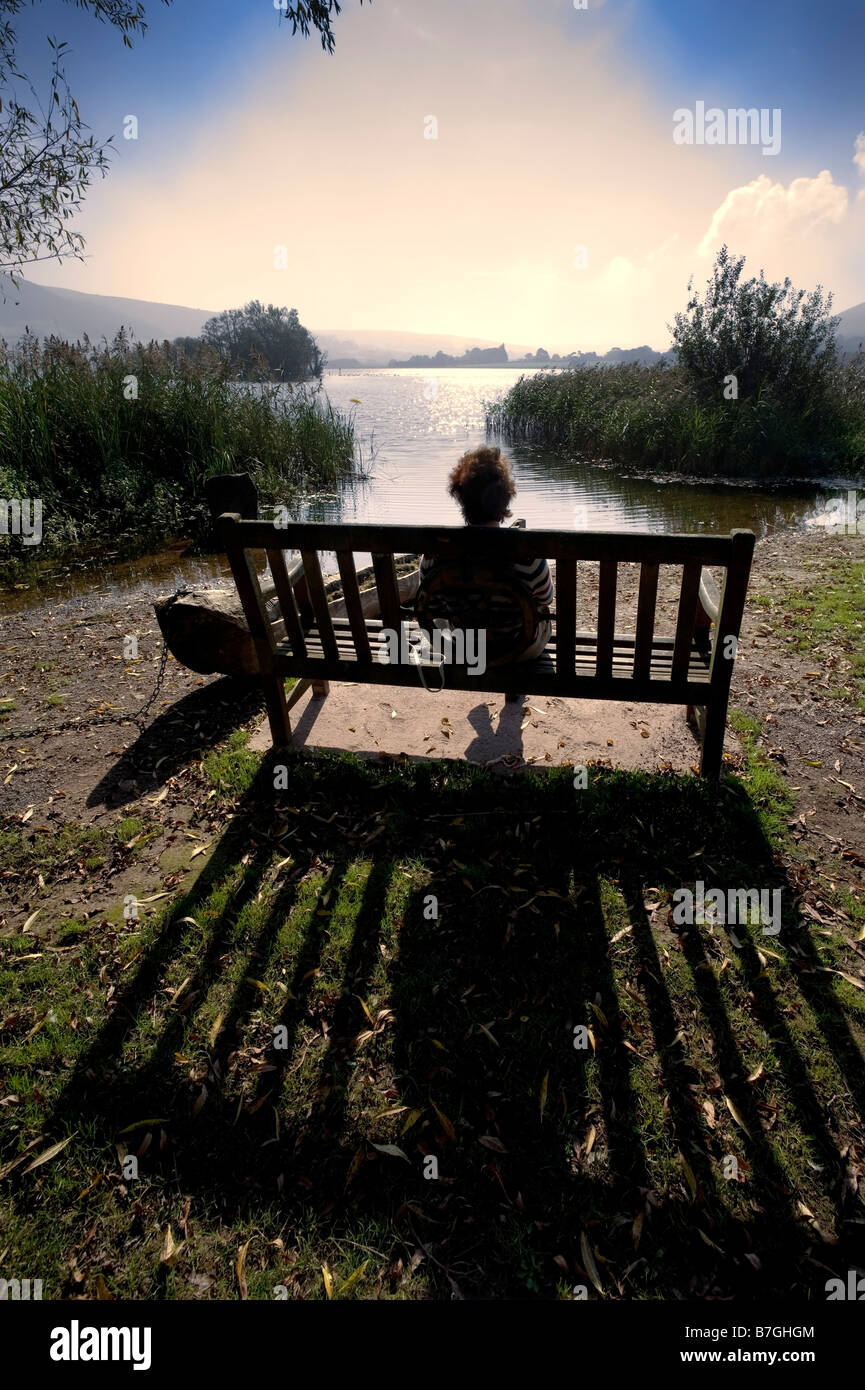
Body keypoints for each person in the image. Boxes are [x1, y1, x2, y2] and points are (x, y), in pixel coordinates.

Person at [413, 446, 553, 678]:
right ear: (505, 500)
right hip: (519, 649)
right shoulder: (527, 554)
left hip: (466, 649)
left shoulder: (435, 555)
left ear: (461, 500)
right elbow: (546, 599)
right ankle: (510, 681)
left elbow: (433, 607)